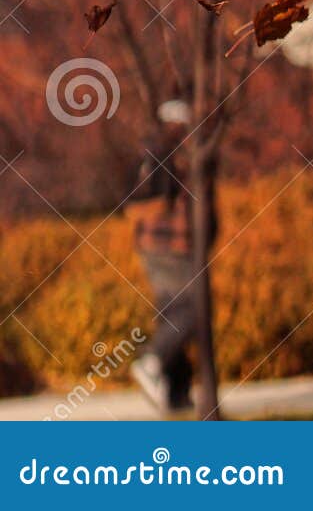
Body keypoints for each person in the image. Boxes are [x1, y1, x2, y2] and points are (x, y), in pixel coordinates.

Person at [128, 101, 201, 413]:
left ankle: (176, 393)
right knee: (193, 308)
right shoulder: (172, 155)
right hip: (170, 245)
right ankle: (152, 362)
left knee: (172, 313)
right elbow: (172, 199)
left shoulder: (149, 153)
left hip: (150, 244)